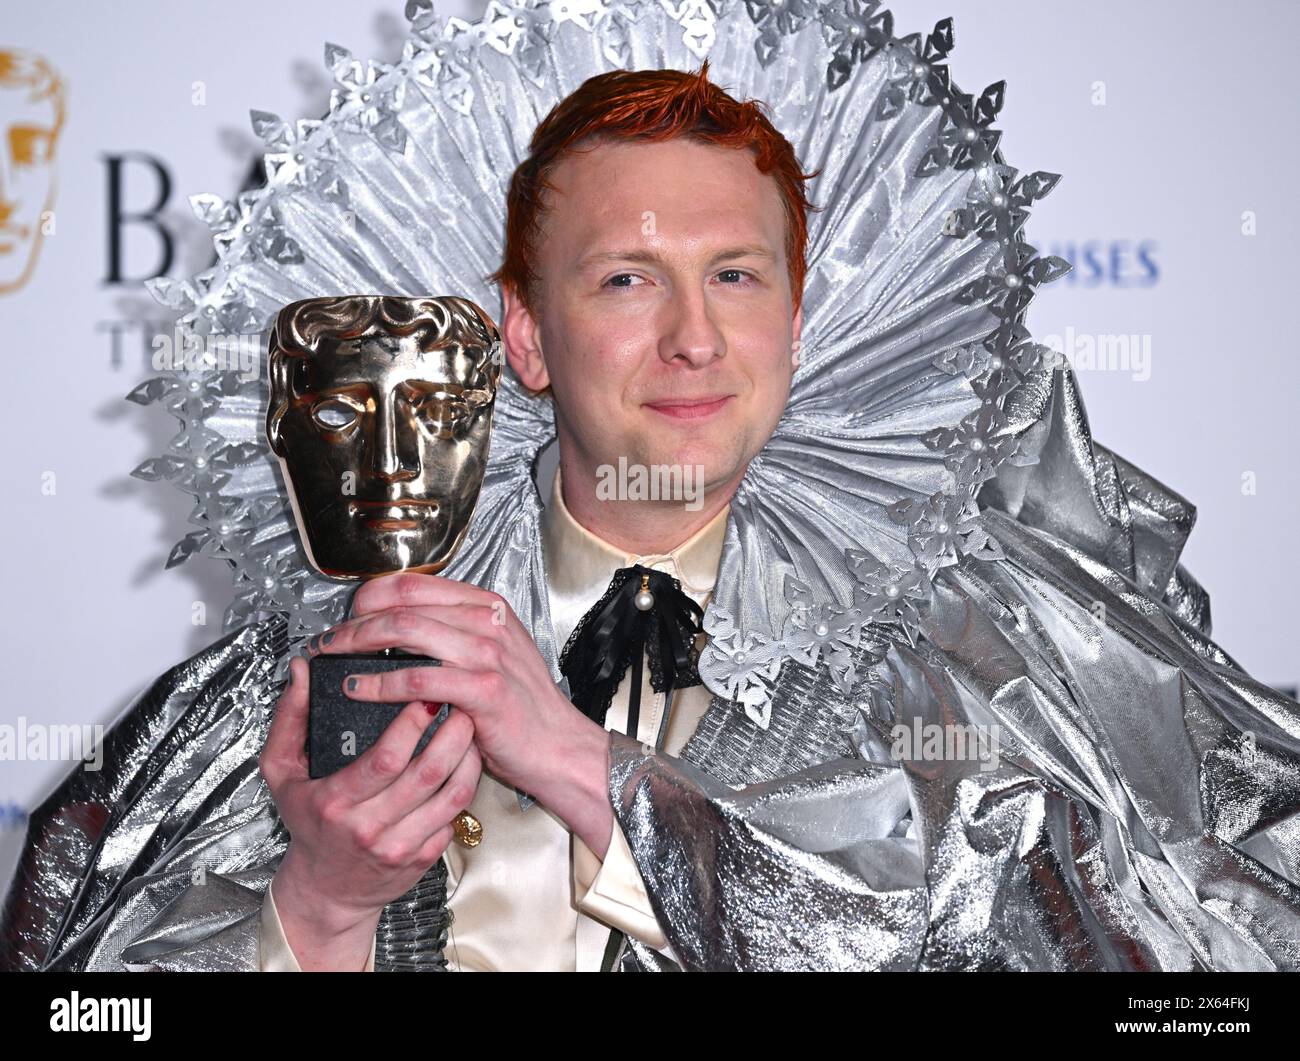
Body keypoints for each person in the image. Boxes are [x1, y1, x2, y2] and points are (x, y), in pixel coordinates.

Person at [5, 5, 1300, 973]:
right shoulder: (319, 673)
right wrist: (325, 901)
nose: (695, 339)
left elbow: (1131, 951)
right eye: (626, 279)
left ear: (799, 320)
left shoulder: (986, 674)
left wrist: (582, 766)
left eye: (737, 276)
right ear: (521, 336)